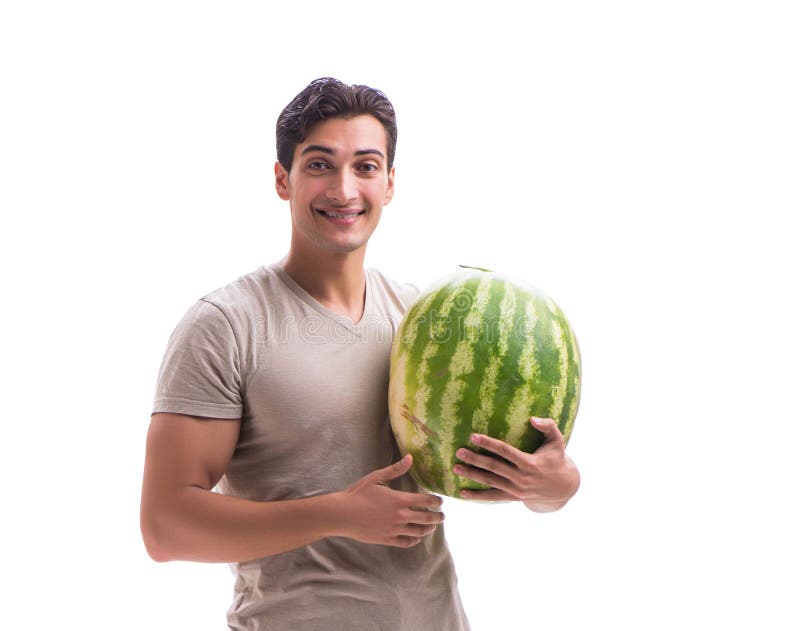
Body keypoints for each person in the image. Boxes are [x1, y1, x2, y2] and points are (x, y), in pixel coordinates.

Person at [140, 77, 580, 630]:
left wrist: (554, 484)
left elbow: (500, 481)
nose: (344, 190)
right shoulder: (226, 325)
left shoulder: (426, 319)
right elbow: (165, 527)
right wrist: (337, 514)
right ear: (284, 178)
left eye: (366, 167)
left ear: (390, 183)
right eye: (320, 165)